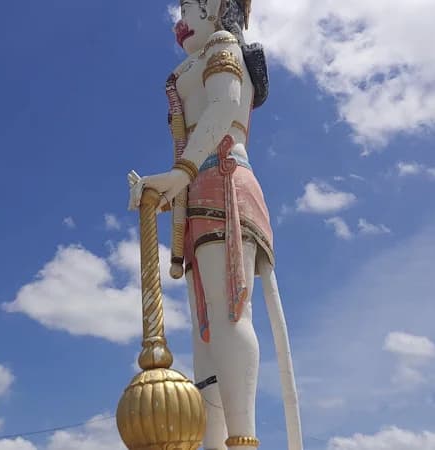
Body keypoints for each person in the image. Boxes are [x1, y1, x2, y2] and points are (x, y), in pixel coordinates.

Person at [128, 1, 302, 448]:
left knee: (227, 316)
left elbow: (223, 106)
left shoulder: (223, 46)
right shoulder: (194, 62)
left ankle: (242, 439)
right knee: (205, 331)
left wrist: (180, 173)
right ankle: (213, 442)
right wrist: (169, 188)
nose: (182, 19)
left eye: (191, 6)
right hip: (199, 192)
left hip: (223, 181)